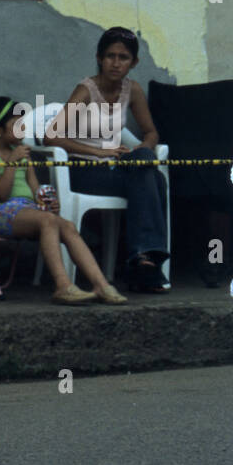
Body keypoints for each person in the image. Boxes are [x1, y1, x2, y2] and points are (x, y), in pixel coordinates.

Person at [0, 96, 127, 306]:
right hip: (2, 213)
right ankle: (63, 286)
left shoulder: (22, 154)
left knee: (66, 225)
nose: (24, 130)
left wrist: (47, 201)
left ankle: (101, 285)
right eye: (18, 125)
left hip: (28, 211)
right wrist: (11, 163)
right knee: (47, 221)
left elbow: (35, 189)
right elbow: (1, 194)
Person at [46, 27, 170, 293]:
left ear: (133, 62)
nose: (116, 63)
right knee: (154, 178)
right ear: (100, 58)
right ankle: (144, 261)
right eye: (110, 56)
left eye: (123, 57)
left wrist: (141, 149)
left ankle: (142, 260)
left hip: (114, 170)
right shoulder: (87, 90)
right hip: (84, 170)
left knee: (146, 164)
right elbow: (51, 137)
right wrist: (99, 152)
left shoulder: (132, 90)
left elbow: (151, 133)